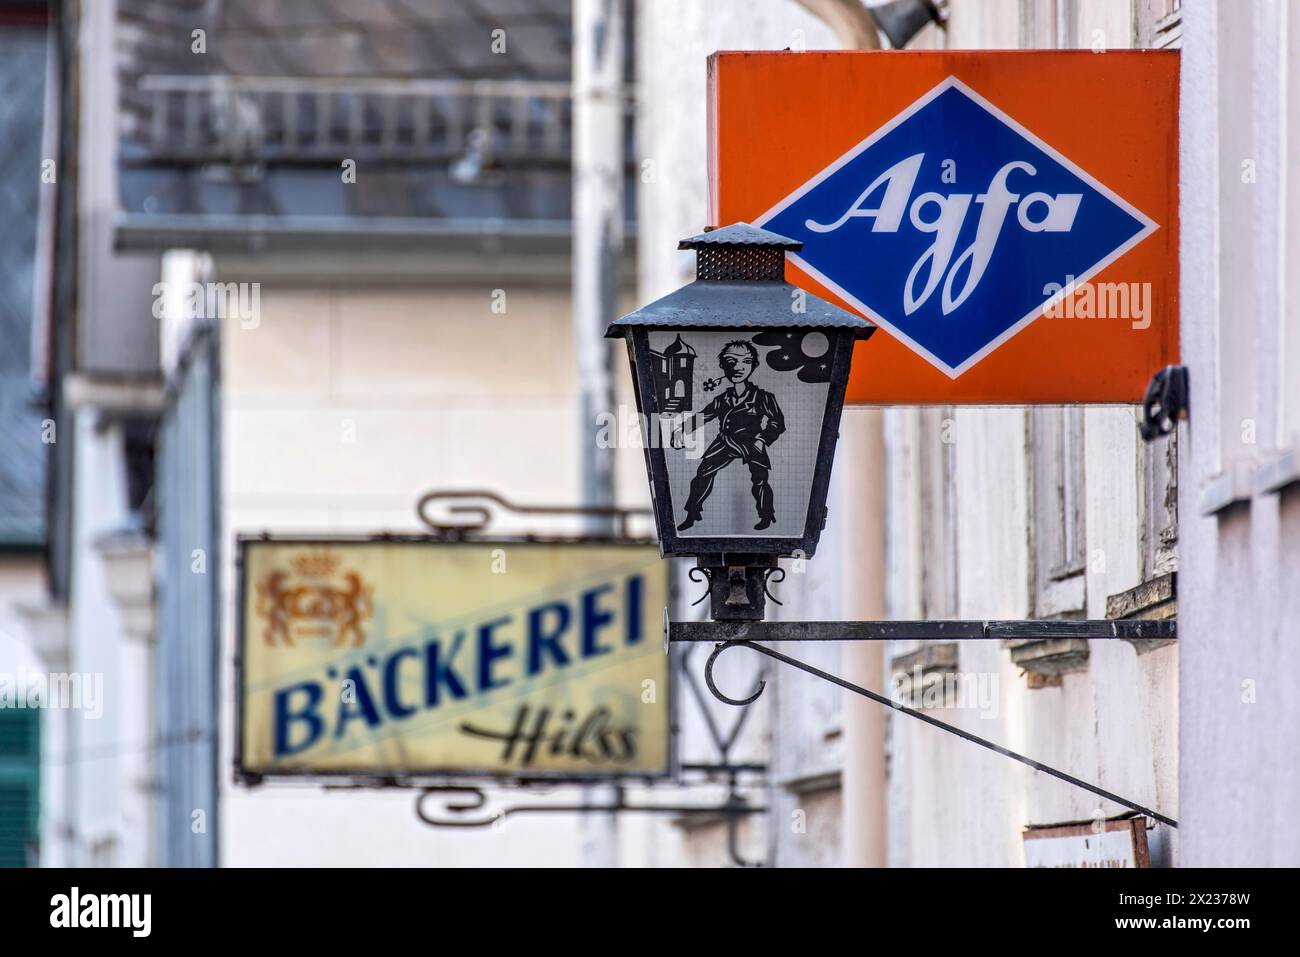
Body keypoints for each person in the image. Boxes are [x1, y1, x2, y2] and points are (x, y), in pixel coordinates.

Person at [672, 340, 785, 531]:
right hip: (725, 441)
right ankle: (692, 514)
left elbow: (777, 422)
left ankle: (767, 516)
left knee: (760, 479)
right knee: (702, 474)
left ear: (753, 365)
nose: (738, 367)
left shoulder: (762, 397)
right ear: (723, 366)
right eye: (731, 362)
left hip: (752, 442)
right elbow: (703, 416)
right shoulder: (723, 398)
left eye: (745, 362)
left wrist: (762, 439)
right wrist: (681, 430)